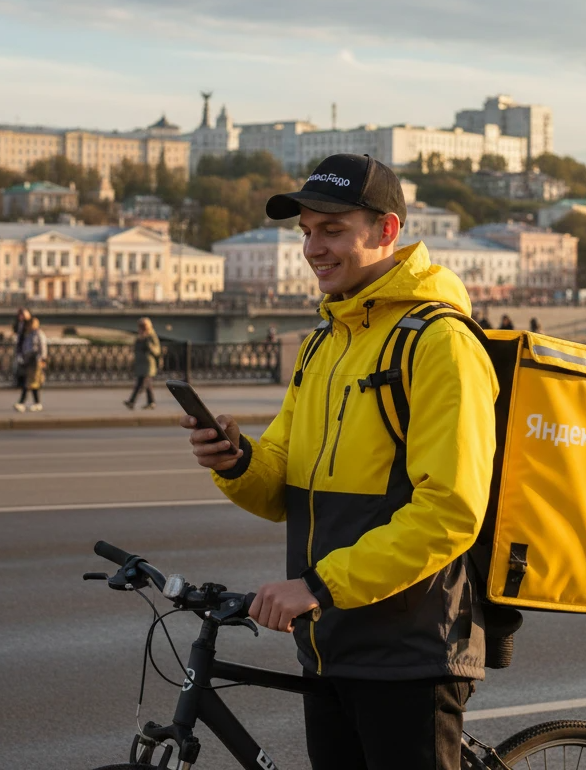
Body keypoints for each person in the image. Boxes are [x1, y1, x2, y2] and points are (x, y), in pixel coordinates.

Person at [184, 153, 497, 770]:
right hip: (328, 643)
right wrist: (236, 461)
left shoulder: (440, 342)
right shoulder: (325, 342)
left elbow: (451, 512)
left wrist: (318, 586)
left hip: (410, 651)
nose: (313, 249)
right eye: (306, 232)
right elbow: (281, 484)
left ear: (385, 231)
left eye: (331, 230)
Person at [124, 318, 161, 410]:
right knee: (147, 384)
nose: (140, 329)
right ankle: (151, 402)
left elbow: (157, 350)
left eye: (142, 327)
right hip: (140, 364)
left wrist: (148, 345)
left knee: (141, 384)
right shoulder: (140, 336)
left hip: (148, 365)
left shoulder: (151, 336)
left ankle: (132, 401)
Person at [14, 317, 47, 412]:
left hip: (35, 360)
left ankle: (21, 403)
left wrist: (43, 359)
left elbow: (43, 347)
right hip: (28, 360)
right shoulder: (28, 334)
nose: (29, 326)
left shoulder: (39, 334)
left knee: (29, 382)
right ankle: (37, 403)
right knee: (33, 383)